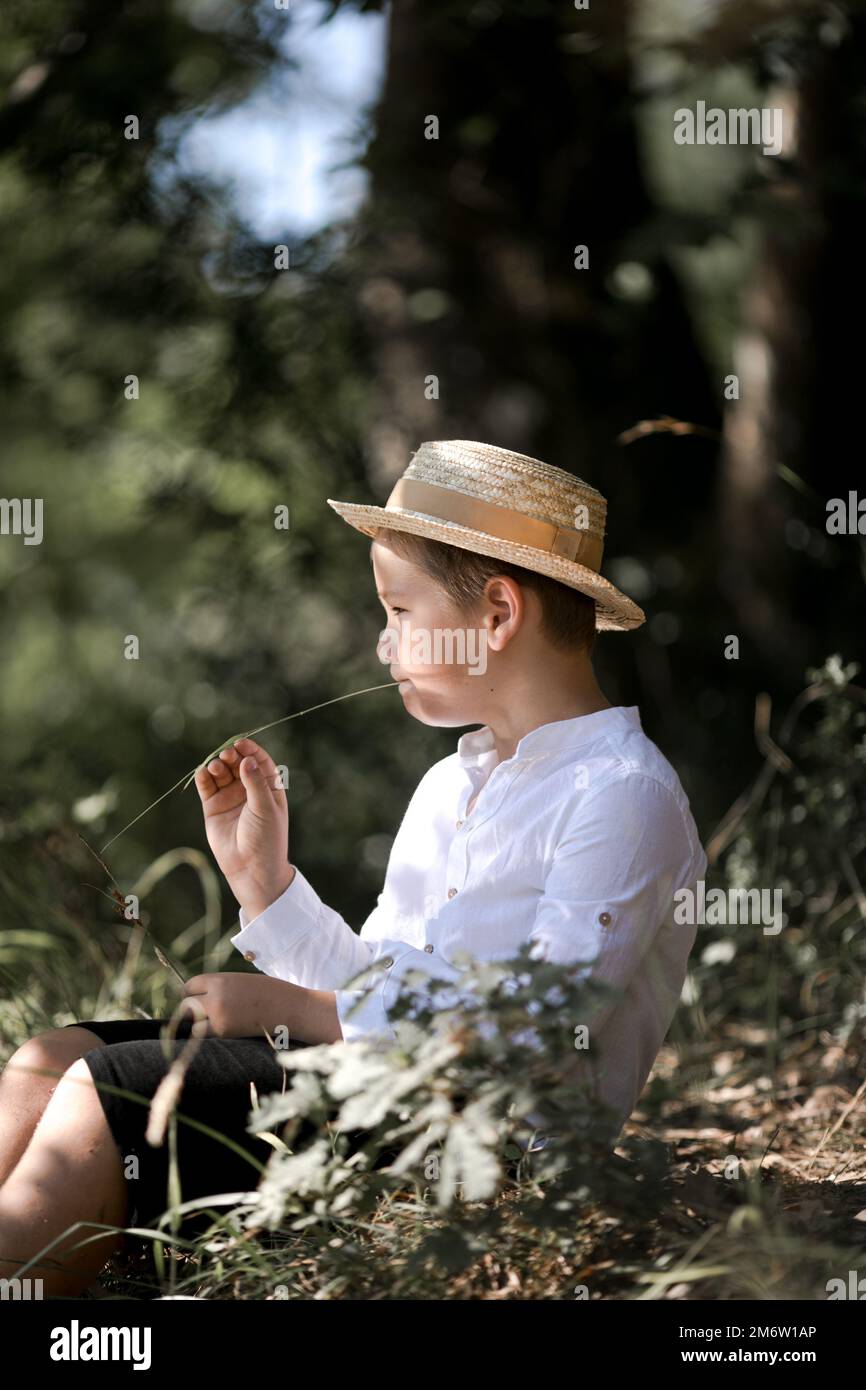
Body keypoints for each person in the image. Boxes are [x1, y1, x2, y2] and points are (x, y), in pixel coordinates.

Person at [0, 439, 706, 1296]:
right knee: (47, 1057)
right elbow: (378, 982)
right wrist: (263, 880)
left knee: (102, 1093)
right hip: (374, 1091)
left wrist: (308, 1013)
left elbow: (538, 1033)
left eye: (401, 612)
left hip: (477, 1153)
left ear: (495, 617)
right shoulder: (453, 784)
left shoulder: (621, 795)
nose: (383, 645)